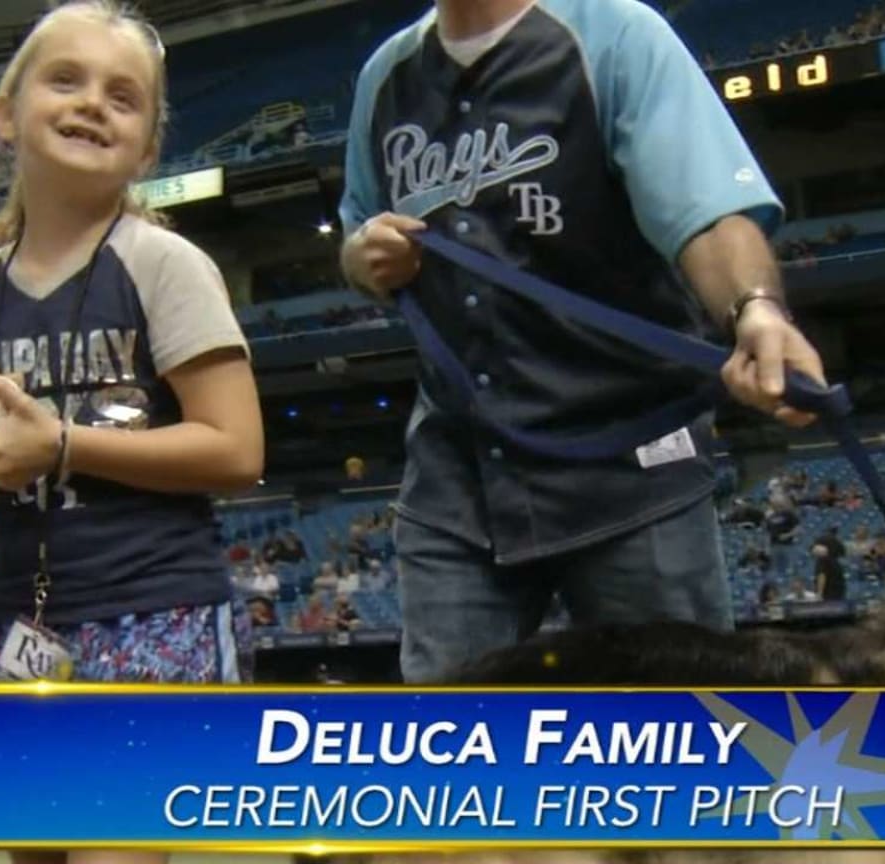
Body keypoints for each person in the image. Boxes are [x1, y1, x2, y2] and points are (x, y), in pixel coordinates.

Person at [339, 0, 826, 682]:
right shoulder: (384, 77)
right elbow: (359, 228)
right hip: (462, 477)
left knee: (676, 734)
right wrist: (363, 261)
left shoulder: (616, 33)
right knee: (448, 750)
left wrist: (756, 310)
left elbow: (707, 213)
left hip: (631, 464)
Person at [0, 7, 260, 860]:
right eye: (63, 80)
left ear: (147, 147)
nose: (92, 105)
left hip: (153, 610)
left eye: (123, 96)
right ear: (5, 114)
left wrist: (62, 445)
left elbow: (237, 450)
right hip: (14, 625)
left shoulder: (162, 264)